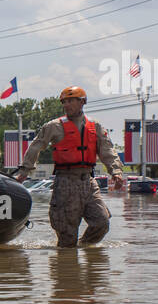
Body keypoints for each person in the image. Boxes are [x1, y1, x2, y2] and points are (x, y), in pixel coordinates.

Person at [13, 86, 127, 247]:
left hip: (88, 182)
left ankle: (84, 247)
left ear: (82, 102)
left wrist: (116, 172)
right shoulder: (54, 126)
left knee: (101, 223)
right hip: (65, 182)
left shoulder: (96, 126)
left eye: (71, 101)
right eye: (64, 102)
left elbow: (107, 150)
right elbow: (35, 147)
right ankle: (67, 262)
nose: (66, 105)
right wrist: (25, 171)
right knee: (67, 236)